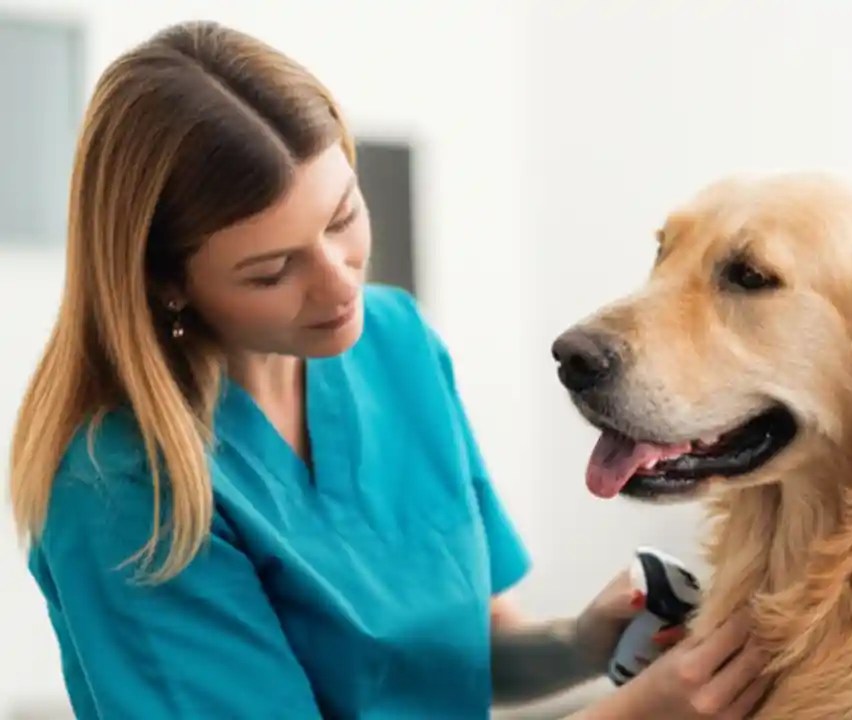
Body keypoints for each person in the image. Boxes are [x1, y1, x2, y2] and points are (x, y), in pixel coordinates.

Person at [6, 20, 769, 719]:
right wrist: (633, 714)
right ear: (166, 281)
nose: (342, 287)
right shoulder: (122, 492)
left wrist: (578, 644)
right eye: (273, 270)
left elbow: (442, 665)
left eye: (343, 217)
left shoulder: (397, 344)